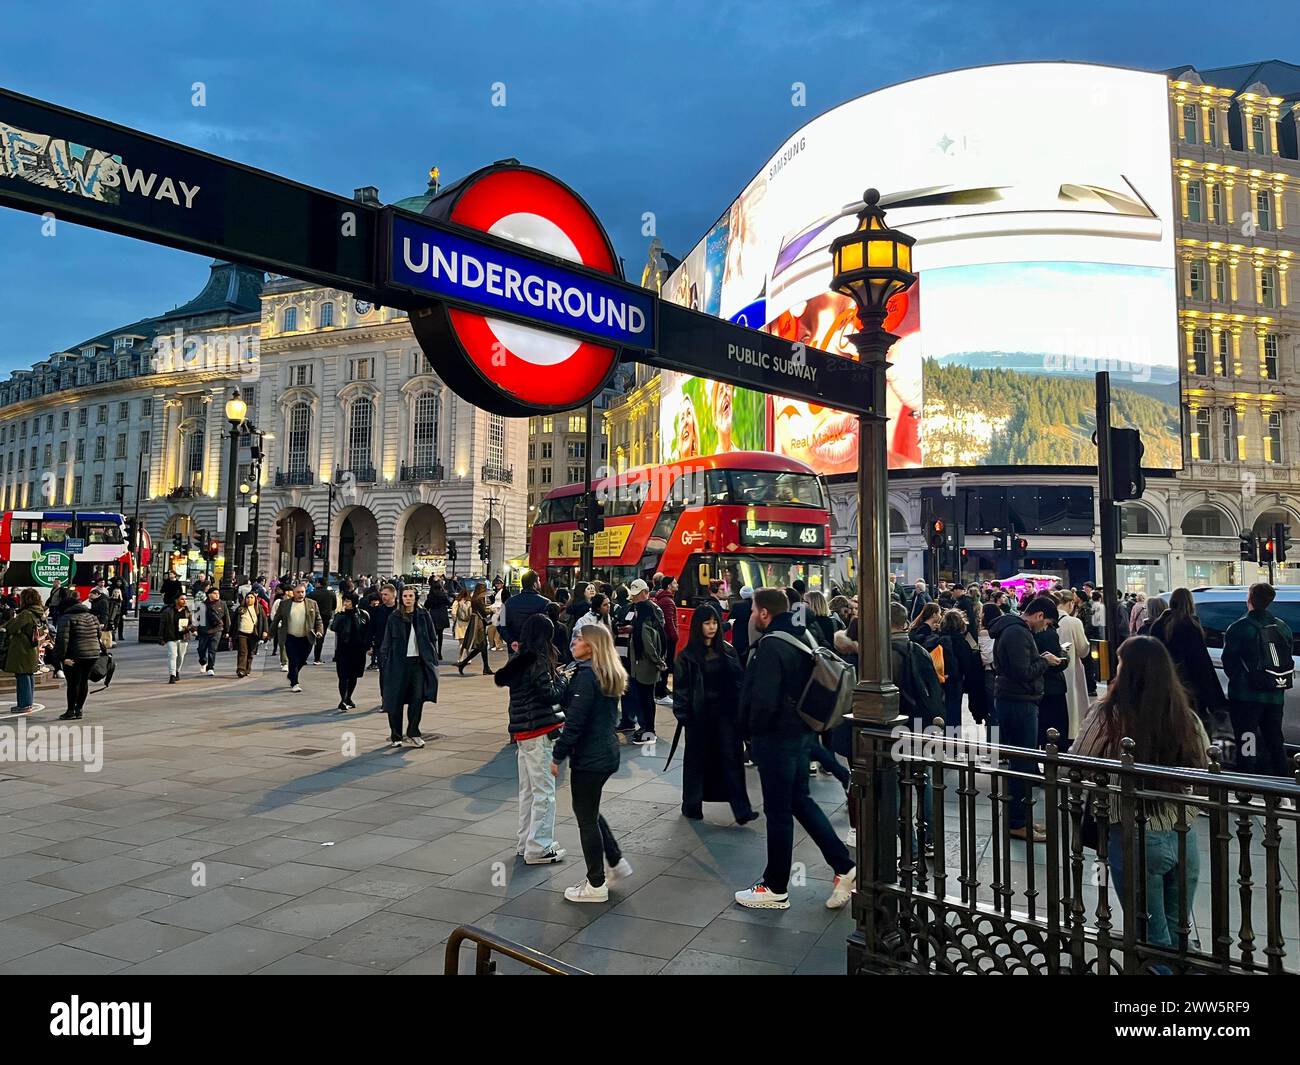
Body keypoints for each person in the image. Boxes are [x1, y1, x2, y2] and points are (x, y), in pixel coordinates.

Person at [1073, 636, 1209, 951]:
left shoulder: (1109, 714)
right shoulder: (1184, 715)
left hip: (1134, 831)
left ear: (1128, 672)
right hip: (1182, 830)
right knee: (1180, 929)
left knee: (1149, 933)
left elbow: (1074, 765)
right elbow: (1203, 769)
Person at [734, 588, 856, 911]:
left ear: (764, 614)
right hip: (802, 734)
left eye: (753, 610)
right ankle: (844, 866)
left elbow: (763, 701)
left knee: (778, 813)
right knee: (800, 801)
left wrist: (750, 735)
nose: (750, 616)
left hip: (777, 740)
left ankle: (775, 886)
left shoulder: (772, 646)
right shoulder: (803, 636)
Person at [552, 622, 633, 902]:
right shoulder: (602, 672)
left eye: (579, 639)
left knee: (585, 817)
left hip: (590, 757)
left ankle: (595, 884)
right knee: (590, 810)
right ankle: (616, 861)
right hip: (607, 753)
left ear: (592, 646)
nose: (574, 643)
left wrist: (558, 755)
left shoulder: (588, 676)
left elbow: (575, 722)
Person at [672, 603, 757, 824]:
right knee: (697, 763)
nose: (712, 627)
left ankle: (742, 809)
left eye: (714, 623)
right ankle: (692, 805)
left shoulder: (727, 650)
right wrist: (684, 716)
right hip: (700, 717)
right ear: (698, 625)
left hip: (726, 716)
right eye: (707, 623)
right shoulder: (687, 656)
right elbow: (681, 690)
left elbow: (739, 682)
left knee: (732, 759)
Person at [495, 613, 568, 864]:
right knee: (544, 792)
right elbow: (548, 694)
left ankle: (526, 841)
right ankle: (539, 847)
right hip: (539, 731)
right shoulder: (537, 661)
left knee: (527, 791)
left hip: (523, 732)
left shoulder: (518, 658)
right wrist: (563, 681)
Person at [989, 595, 1061, 842]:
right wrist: (1045, 661)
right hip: (1019, 703)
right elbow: (1022, 672)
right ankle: (1017, 822)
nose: (1046, 628)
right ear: (1039, 615)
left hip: (1015, 700)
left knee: (1022, 761)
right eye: (1048, 622)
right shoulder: (1017, 633)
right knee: (1023, 762)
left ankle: (1020, 819)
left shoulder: (1013, 630)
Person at [1222, 582, 1294, 782]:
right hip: (1274, 693)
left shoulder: (1239, 627)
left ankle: (1248, 776)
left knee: (1247, 737)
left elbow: (1230, 661)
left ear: (1250, 599)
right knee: (1274, 739)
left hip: (1246, 696)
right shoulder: (1282, 627)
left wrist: (1240, 680)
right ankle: (1283, 781)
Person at [1149, 587, 1228, 748]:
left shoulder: (1158, 626)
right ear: (1190, 604)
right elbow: (1201, 663)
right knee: (1192, 729)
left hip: (1165, 684)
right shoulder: (1191, 626)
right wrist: (1213, 699)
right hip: (1189, 687)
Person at [379, 586, 439, 748]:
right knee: (395, 700)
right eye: (405, 596)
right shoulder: (395, 616)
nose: (408, 599)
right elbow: (387, 641)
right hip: (398, 664)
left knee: (417, 699)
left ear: (415, 597)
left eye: (411, 596)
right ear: (401, 598)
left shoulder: (423, 614)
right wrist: (384, 662)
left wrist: (432, 658)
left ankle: (413, 732)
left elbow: (432, 637)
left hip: (418, 663)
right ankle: (396, 735)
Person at [55, 591, 104, 720]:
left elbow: (62, 640)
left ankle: (70, 710)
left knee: (72, 683)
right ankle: (79, 709)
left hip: (74, 654)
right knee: (83, 681)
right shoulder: (92, 616)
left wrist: (61, 657)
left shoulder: (66, 618)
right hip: (93, 653)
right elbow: (98, 635)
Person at [626, 579, 666, 743]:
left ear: (645, 593)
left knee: (647, 697)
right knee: (645, 697)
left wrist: (658, 660)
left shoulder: (648, 610)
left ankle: (649, 732)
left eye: (636, 595)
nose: (634, 599)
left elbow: (650, 640)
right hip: (642, 661)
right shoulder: (642, 609)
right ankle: (647, 729)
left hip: (646, 662)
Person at [270, 582, 324, 693]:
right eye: (298, 592)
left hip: (306, 637)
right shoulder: (284, 604)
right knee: (293, 659)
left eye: (302, 592)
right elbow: (276, 620)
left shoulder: (312, 604)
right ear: (293, 593)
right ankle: (295, 682)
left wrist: (319, 631)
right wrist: (270, 634)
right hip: (290, 637)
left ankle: (291, 674)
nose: (301, 594)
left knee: (302, 660)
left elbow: (318, 619)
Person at [1054, 591, 1090, 741]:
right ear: (1070, 603)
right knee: (1073, 706)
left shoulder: (1048, 619)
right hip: (1071, 670)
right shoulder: (1073, 622)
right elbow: (1083, 650)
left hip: (1053, 672)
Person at [3, 588, 47, 714]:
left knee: (22, 675)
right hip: (32, 648)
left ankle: (24, 704)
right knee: (28, 675)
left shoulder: (26, 614)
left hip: (22, 648)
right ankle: (28, 703)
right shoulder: (39, 612)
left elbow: (12, 627)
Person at [1031, 603, 1069, 748]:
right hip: (1053, 687)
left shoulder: (1030, 633)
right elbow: (1057, 663)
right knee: (1054, 729)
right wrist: (1064, 655)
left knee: (1040, 728)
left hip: (1038, 688)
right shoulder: (1049, 634)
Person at [937, 608, 979, 731]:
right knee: (954, 713)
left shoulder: (936, 639)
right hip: (955, 682)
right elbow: (967, 666)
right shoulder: (962, 642)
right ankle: (952, 744)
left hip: (938, 679)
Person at [330, 591, 371, 713]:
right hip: (343, 650)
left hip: (358, 650)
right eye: (344, 601)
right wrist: (340, 614)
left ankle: (348, 698)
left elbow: (368, 631)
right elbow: (333, 628)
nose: (346, 603)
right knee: (343, 676)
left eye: (348, 601)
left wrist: (369, 646)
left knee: (354, 676)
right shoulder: (340, 615)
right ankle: (342, 699)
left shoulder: (363, 615)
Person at [497, 570, 550, 653]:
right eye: (538, 580)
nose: (540, 583)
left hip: (515, 648)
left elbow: (500, 624)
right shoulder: (545, 603)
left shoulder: (509, 602)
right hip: (537, 650)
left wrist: (511, 640)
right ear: (534, 584)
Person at [456, 584, 494, 675]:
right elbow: (484, 612)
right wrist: (492, 610)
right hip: (478, 624)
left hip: (476, 622)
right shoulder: (479, 599)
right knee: (482, 645)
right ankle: (484, 667)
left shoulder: (474, 598)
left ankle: (483, 667)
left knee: (481, 646)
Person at [195, 586, 231, 678]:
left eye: (218, 593)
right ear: (209, 594)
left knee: (212, 649)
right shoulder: (202, 605)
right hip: (204, 630)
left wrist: (227, 631)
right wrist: (195, 629)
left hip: (217, 630)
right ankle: (203, 661)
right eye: (215, 593)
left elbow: (226, 618)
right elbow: (197, 618)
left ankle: (211, 667)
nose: (217, 595)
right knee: (201, 649)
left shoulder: (222, 604)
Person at [160, 593, 195, 684]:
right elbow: (162, 625)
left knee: (181, 656)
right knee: (172, 655)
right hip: (171, 637)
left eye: (185, 599)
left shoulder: (188, 611)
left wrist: (190, 628)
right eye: (182, 599)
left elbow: (192, 624)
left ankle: (177, 671)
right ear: (176, 600)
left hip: (183, 637)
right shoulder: (168, 611)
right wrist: (161, 638)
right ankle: (172, 675)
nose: (184, 601)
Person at [232, 591, 268, 678]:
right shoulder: (240, 608)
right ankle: (241, 669)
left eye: (252, 597)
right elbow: (234, 622)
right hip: (242, 633)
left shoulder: (259, 608)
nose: (249, 599)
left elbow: (264, 620)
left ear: (255, 599)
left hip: (253, 633)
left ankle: (247, 669)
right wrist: (230, 633)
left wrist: (265, 631)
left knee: (250, 652)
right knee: (242, 652)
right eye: (248, 597)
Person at [369, 584, 397, 689]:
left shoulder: (399, 610)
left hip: (397, 646)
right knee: (383, 673)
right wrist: (369, 645)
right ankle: (384, 698)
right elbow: (372, 628)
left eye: (386, 594)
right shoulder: (377, 610)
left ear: (393, 595)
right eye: (382, 594)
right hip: (381, 646)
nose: (383, 597)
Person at [310, 577, 337, 664]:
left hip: (313, 616)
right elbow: (334, 606)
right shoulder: (331, 594)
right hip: (325, 617)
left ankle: (303, 657)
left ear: (318, 583)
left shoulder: (312, 594)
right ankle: (317, 658)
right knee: (320, 637)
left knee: (309, 636)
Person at [423, 579, 451, 659]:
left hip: (433, 615)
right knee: (440, 635)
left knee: (433, 635)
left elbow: (426, 606)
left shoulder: (430, 596)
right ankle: (440, 652)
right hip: (442, 615)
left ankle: (433, 651)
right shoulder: (443, 595)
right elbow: (448, 603)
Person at [730, 585, 755, 662]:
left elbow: (730, 620)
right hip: (753, 639)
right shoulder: (757, 605)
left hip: (739, 640)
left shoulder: (736, 605)